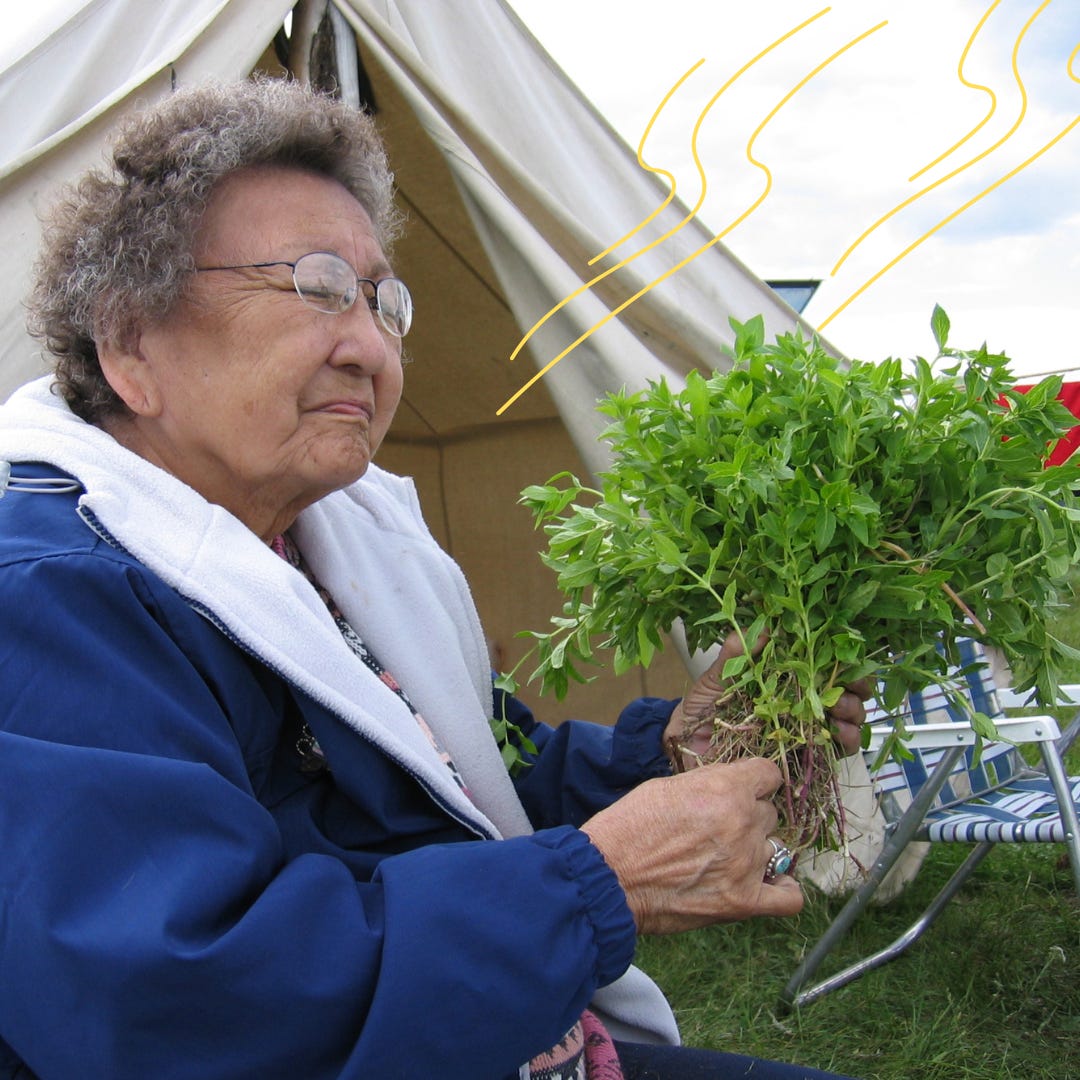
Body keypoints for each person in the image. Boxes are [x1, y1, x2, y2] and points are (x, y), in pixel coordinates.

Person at [0, 77, 867, 1080]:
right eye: (316, 285)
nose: (371, 346)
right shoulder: (52, 601)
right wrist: (598, 889)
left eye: (383, 300)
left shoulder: (342, 547)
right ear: (131, 345)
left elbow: (481, 783)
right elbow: (185, 1007)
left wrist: (667, 753)